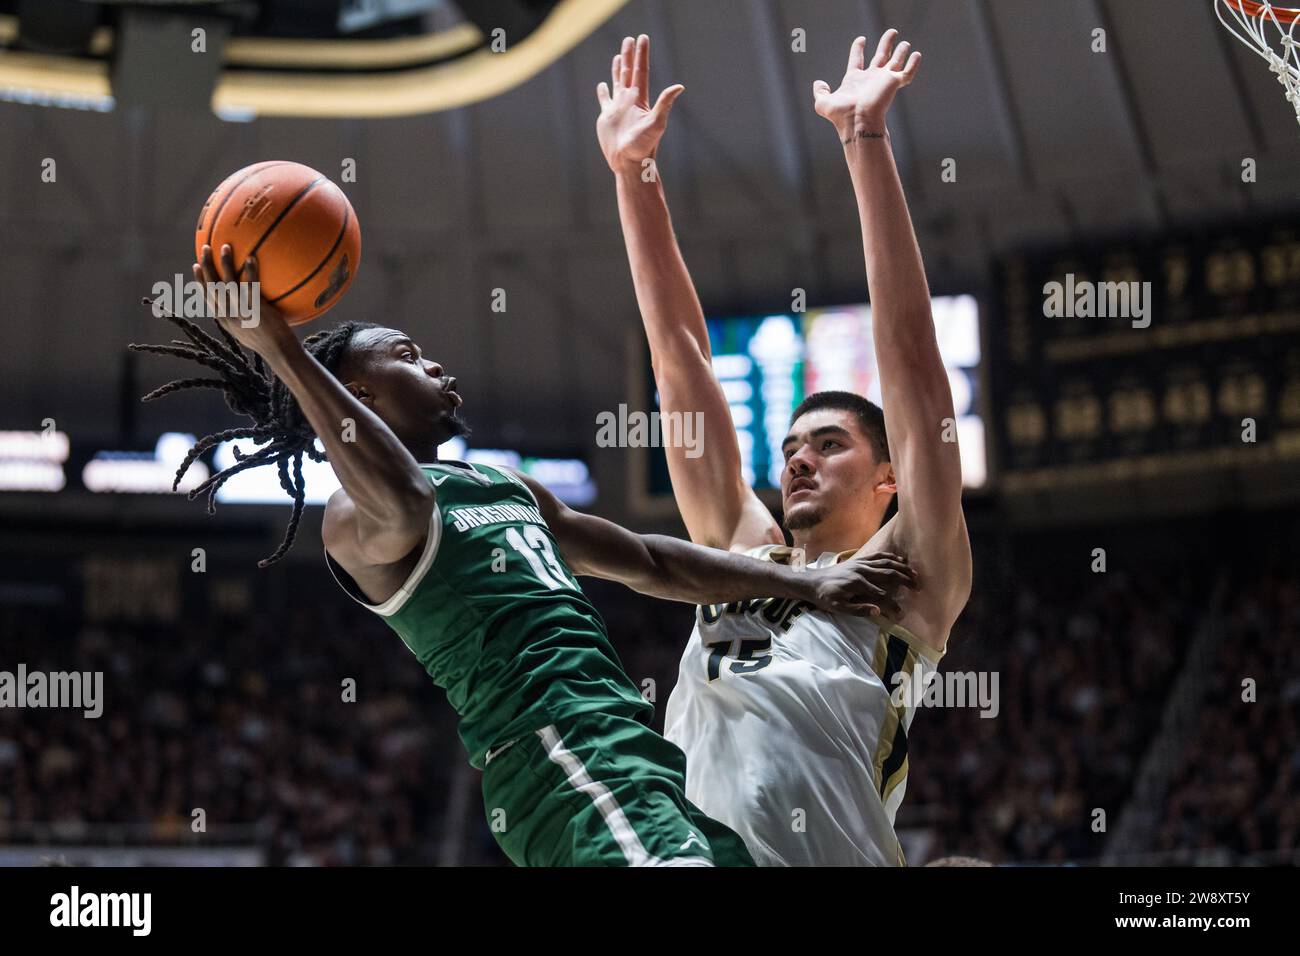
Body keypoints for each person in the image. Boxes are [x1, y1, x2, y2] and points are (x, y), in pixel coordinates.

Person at [128, 244, 916, 866]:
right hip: (555, 756)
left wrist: (810, 584)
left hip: (634, 750)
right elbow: (402, 495)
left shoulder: (505, 487)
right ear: (358, 398)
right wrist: (284, 351)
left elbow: (652, 560)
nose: (435, 364)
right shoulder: (354, 521)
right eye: (407, 354)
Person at [596, 31, 970, 865]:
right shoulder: (735, 550)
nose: (798, 459)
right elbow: (678, 356)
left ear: (888, 479)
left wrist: (864, 143)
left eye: (829, 445)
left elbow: (911, 357)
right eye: (793, 446)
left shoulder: (909, 573)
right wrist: (635, 178)